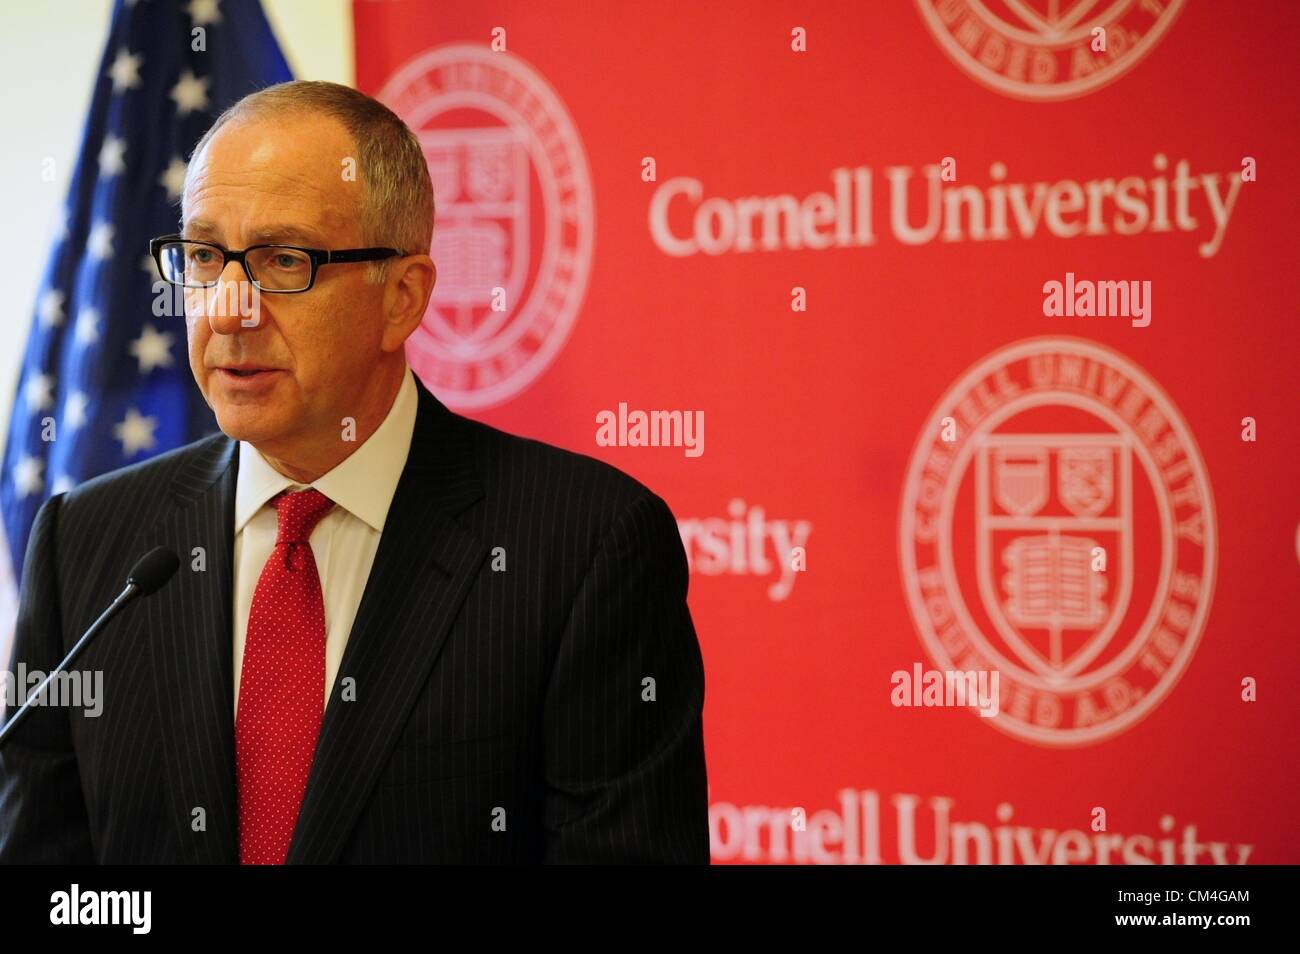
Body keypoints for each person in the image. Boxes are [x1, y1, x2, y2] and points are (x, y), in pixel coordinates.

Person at [0, 80, 709, 864]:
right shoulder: (86, 544)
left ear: (402, 298)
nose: (228, 308)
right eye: (203, 257)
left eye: (283, 260)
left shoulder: (582, 549)